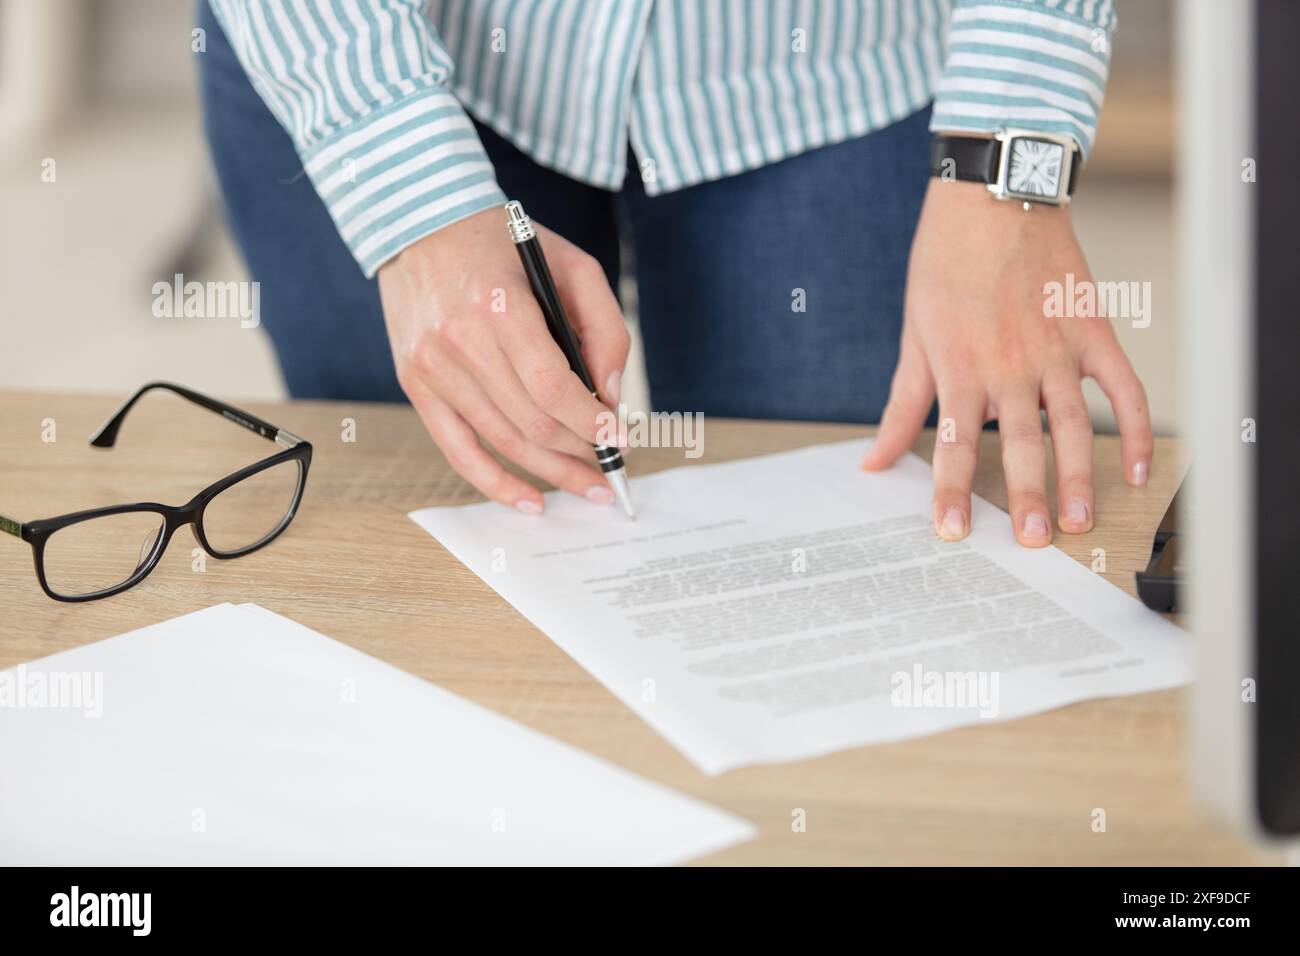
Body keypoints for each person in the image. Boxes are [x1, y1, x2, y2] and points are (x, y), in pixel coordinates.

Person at [198, 0, 1150, 547]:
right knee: (428, 557)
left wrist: (1006, 155)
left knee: (883, 538)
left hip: (838, 59)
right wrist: (407, 192)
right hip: (366, 50)